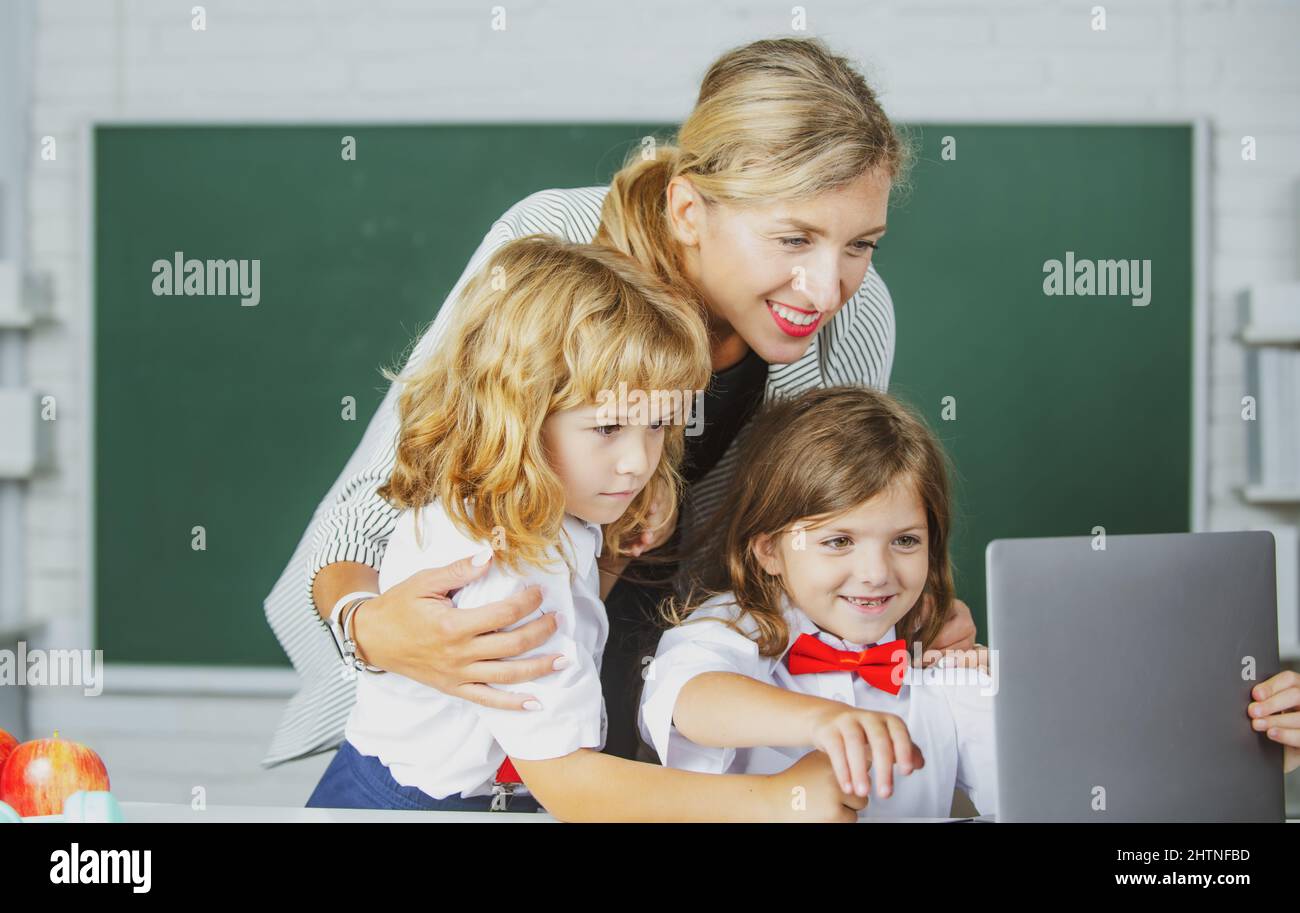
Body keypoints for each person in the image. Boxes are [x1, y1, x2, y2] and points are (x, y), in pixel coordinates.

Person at [263, 36, 978, 771]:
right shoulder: (552, 246)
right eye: (793, 237)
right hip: (466, 731)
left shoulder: (856, 320)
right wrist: (373, 631)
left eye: (862, 245)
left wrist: (900, 618)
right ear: (689, 208)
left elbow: (808, 552)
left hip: (676, 720)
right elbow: (365, 513)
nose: (828, 287)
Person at [305, 235, 879, 821]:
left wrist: (612, 558)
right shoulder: (497, 565)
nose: (638, 461)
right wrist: (777, 800)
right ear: (520, 413)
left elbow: (561, 640)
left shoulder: (544, 516)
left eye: (658, 425)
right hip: (420, 807)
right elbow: (572, 787)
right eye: (608, 428)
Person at [642, 386, 1300, 819]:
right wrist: (821, 720)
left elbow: (1080, 769)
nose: (874, 572)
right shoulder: (739, 627)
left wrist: (1252, 744)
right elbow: (692, 696)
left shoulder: (940, 666)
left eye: (904, 540)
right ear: (768, 551)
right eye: (838, 540)